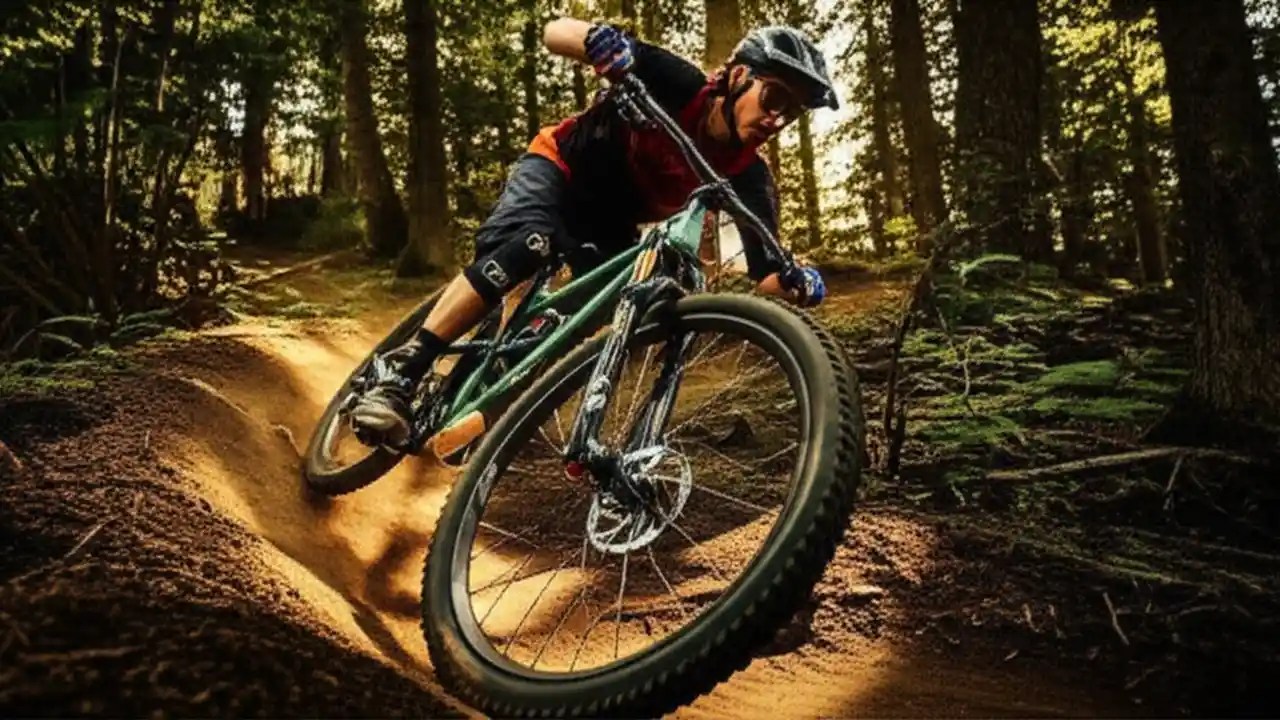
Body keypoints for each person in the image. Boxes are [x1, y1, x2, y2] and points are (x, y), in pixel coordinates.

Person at [351, 19, 839, 445]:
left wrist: (800, 284)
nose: (776, 119)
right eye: (774, 97)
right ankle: (401, 371)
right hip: (559, 168)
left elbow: (766, 277)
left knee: (606, 303)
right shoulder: (678, 82)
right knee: (528, 244)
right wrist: (604, 44)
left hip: (611, 223)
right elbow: (556, 31)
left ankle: (495, 385)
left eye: (791, 113)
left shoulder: (750, 177)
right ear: (738, 77)